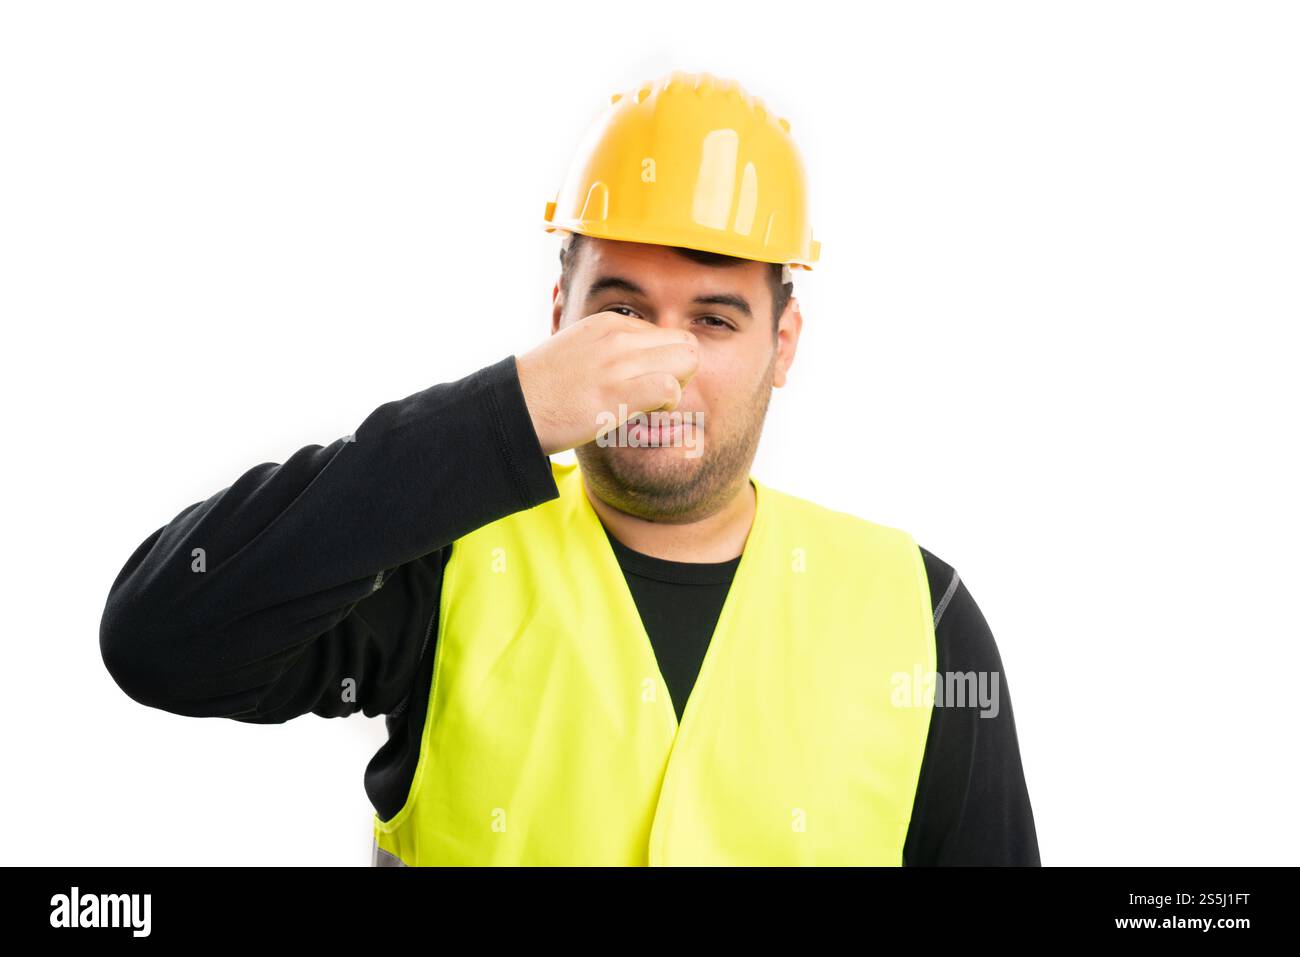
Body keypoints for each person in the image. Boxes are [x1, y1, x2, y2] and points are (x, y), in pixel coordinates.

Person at [100, 69, 1039, 866]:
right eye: (621, 315)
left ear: (783, 343)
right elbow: (158, 637)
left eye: (713, 319)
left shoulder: (919, 613)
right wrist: (501, 416)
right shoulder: (442, 565)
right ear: (558, 320)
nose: (659, 368)